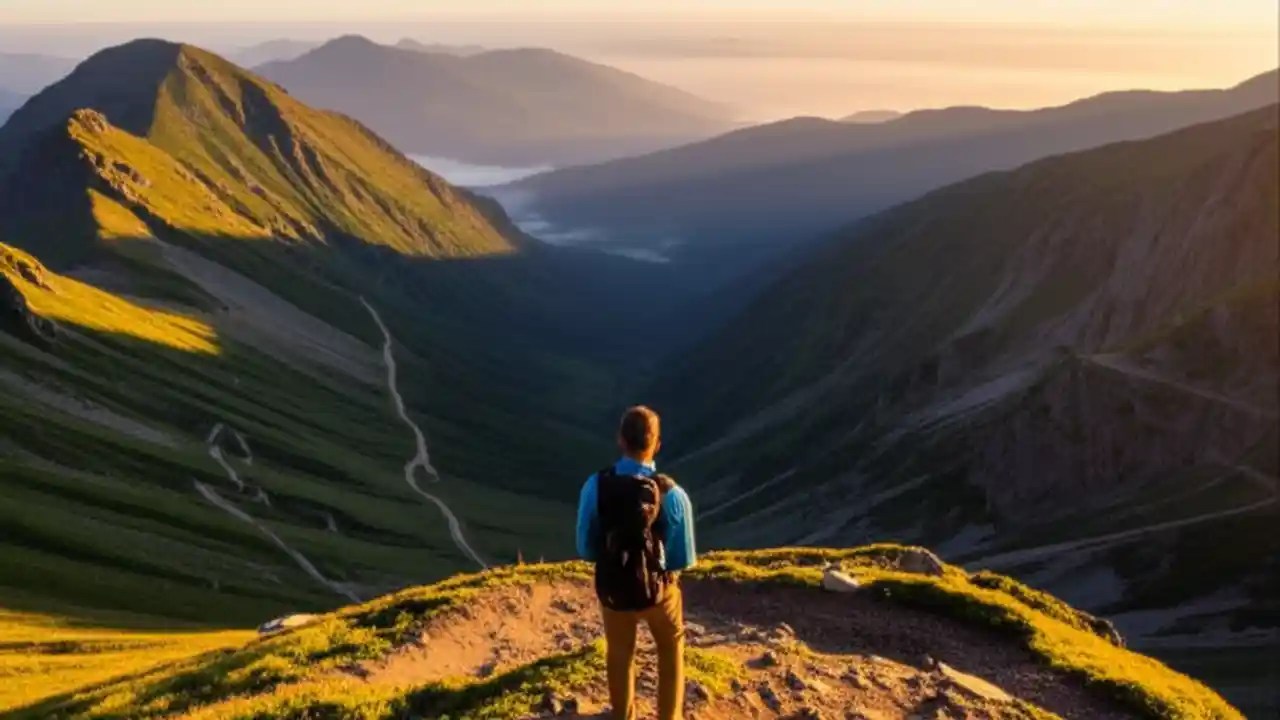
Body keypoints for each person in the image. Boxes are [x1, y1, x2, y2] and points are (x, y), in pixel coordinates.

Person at [576, 405, 697, 720]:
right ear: (656, 444)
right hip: (660, 593)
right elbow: (683, 558)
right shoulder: (672, 493)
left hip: (614, 588)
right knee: (670, 647)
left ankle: (623, 715)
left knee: (619, 653)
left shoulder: (595, 485)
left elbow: (586, 547)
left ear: (621, 440)